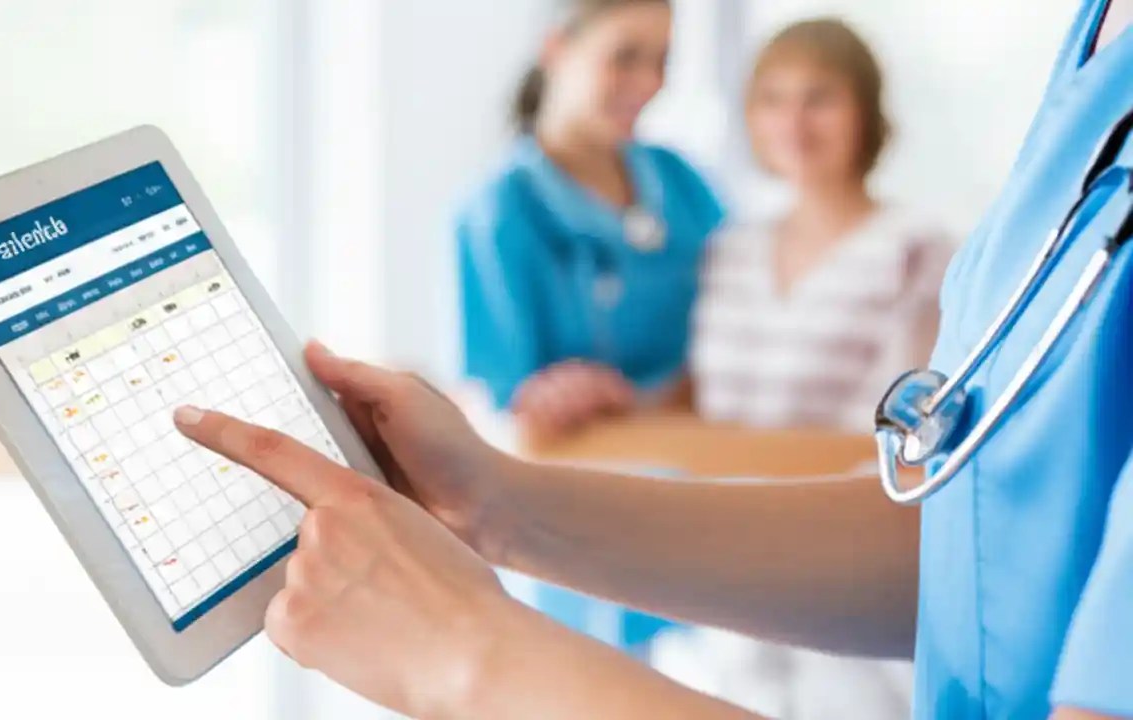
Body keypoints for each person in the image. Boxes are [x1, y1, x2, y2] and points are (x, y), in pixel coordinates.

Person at [173, 0, 1133, 717]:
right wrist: (497, 500)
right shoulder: (1097, 50)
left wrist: (470, 656)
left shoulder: (701, 193)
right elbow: (971, 543)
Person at [688, 20, 950, 717]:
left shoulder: (916, 249)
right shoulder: (729, 252)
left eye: (819, 98)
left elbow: (905, 442)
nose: (793, 122)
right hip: (725, 563)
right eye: (772, 99)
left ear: (865, 112)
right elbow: (707, 412)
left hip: (844, 567)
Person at [456, 0, 724, 655]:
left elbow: (746, 324)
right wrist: (554, 402)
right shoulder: (498, 214)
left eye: (662, 60)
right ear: (557, 49)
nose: (650, 82)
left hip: (712, 502)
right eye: (625, 56)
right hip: (585, 534)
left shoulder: (681, 182)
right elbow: (507, 412)